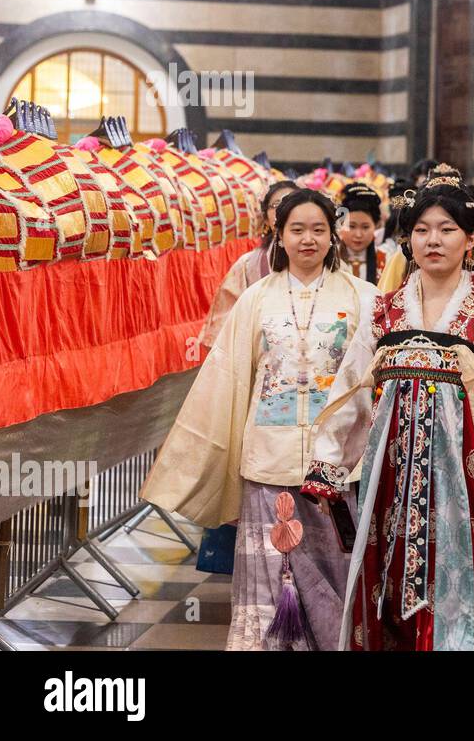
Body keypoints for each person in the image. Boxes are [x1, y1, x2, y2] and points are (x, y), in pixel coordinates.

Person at [301, 180, 474, 651]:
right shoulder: (381, 312)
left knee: (461, 587)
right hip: (390, 479)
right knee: (385, 588)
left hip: (464, 486)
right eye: (423, 230)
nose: (433, 240)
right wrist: (330, 460)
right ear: (407, 239)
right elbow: (352, 389)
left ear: (472, 240)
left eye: (448, 229)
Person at [141, 189, 379, 650]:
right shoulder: (255, 299)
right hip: (267, 457)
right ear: (279, 235)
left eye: (318, 229)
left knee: (335, 567)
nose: (308, 239)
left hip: (340, 465)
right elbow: (227, 376)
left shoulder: (363, 297)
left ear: (334, 235)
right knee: (269, 573)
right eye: (297, 230)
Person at [198, 179, 297, 353]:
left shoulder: (326, 260)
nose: (284, 209)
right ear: (265, 218)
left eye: (292, 202)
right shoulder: (248, 265)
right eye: (276, 205)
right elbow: (222, 327)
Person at [337, 181, 394, 284]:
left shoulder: (387, 260)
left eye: (365, 227)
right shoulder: (328, 259)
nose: (358, 234)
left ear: (376, 226)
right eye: (351, 226)